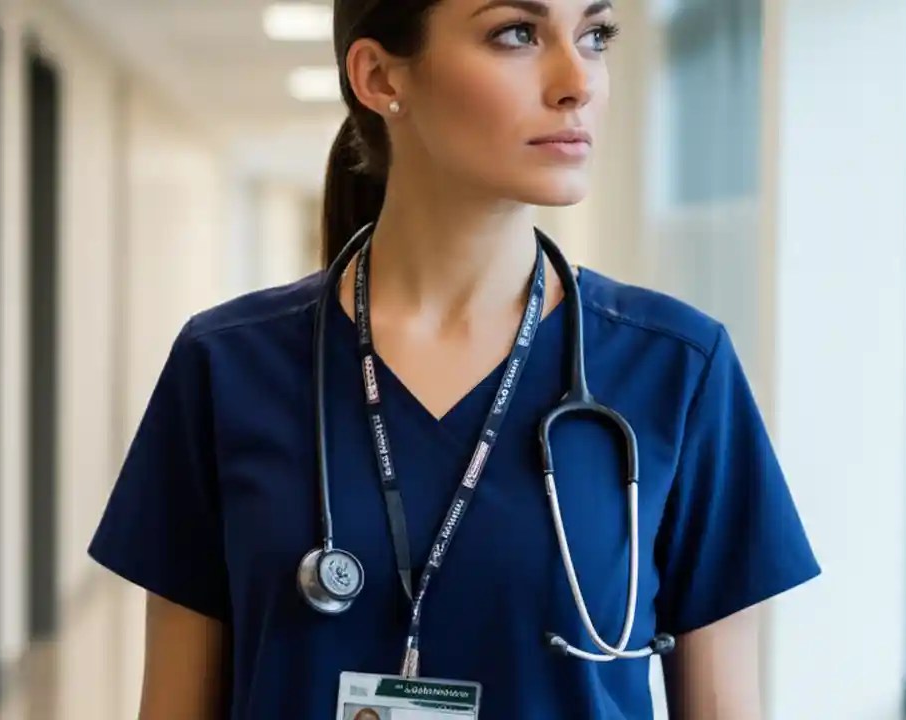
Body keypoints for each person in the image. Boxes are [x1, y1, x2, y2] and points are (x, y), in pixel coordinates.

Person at [87, 0, 820, 718]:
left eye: (595, 34)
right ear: (380, 77)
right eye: (516, 33)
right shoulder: (227, 367)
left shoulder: (676, 370)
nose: (579, 81)